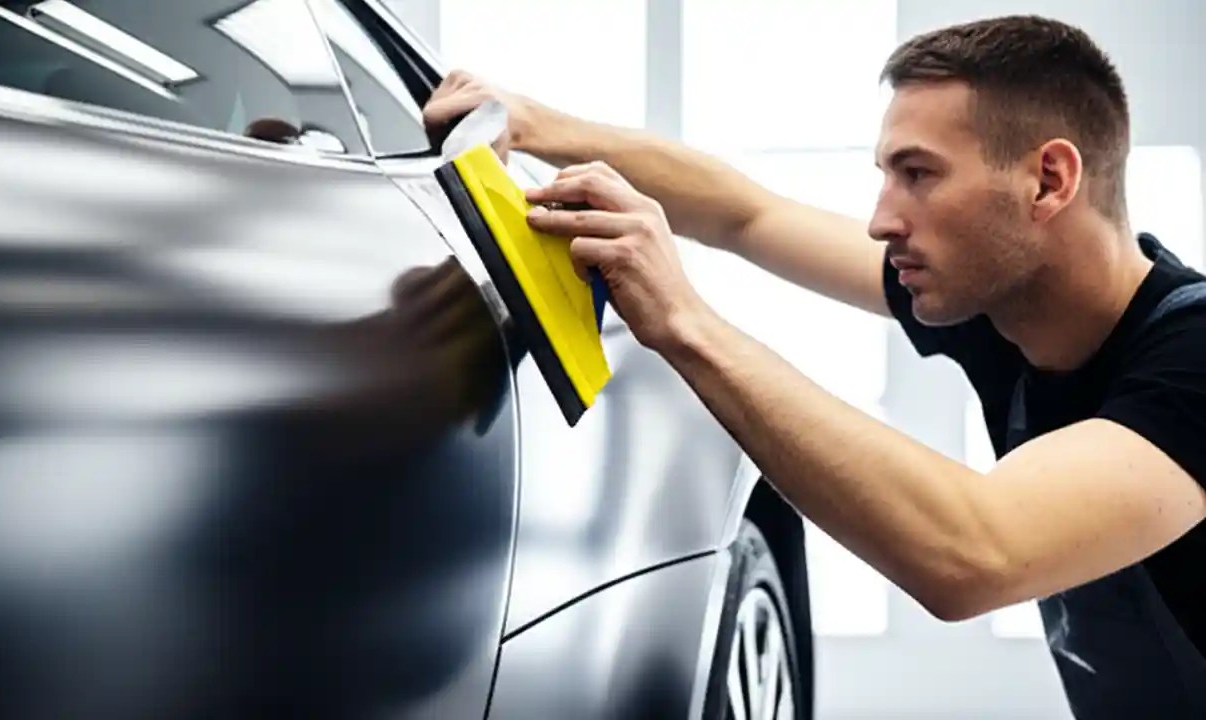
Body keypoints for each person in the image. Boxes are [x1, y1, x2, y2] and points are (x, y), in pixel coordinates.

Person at [424, 13, 1206, 718]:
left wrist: (685, 322)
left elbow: (978, 553)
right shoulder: (996, 307)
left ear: (1049, 181)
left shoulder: (1192, 359)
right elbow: (744, 213)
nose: (880, 219)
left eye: (919, 174)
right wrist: (533, 126)